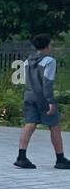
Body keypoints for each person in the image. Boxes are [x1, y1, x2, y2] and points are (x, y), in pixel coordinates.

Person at [15, 35, 68, 170]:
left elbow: (26, 80)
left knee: (29, 124)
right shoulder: (49, 61)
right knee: (54, 126)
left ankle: (21, 156)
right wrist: (50, 100)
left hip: (29, 95)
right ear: (47, 46)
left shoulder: (27, 61)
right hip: (43, 97)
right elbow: (47, 82)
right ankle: (60, 158)